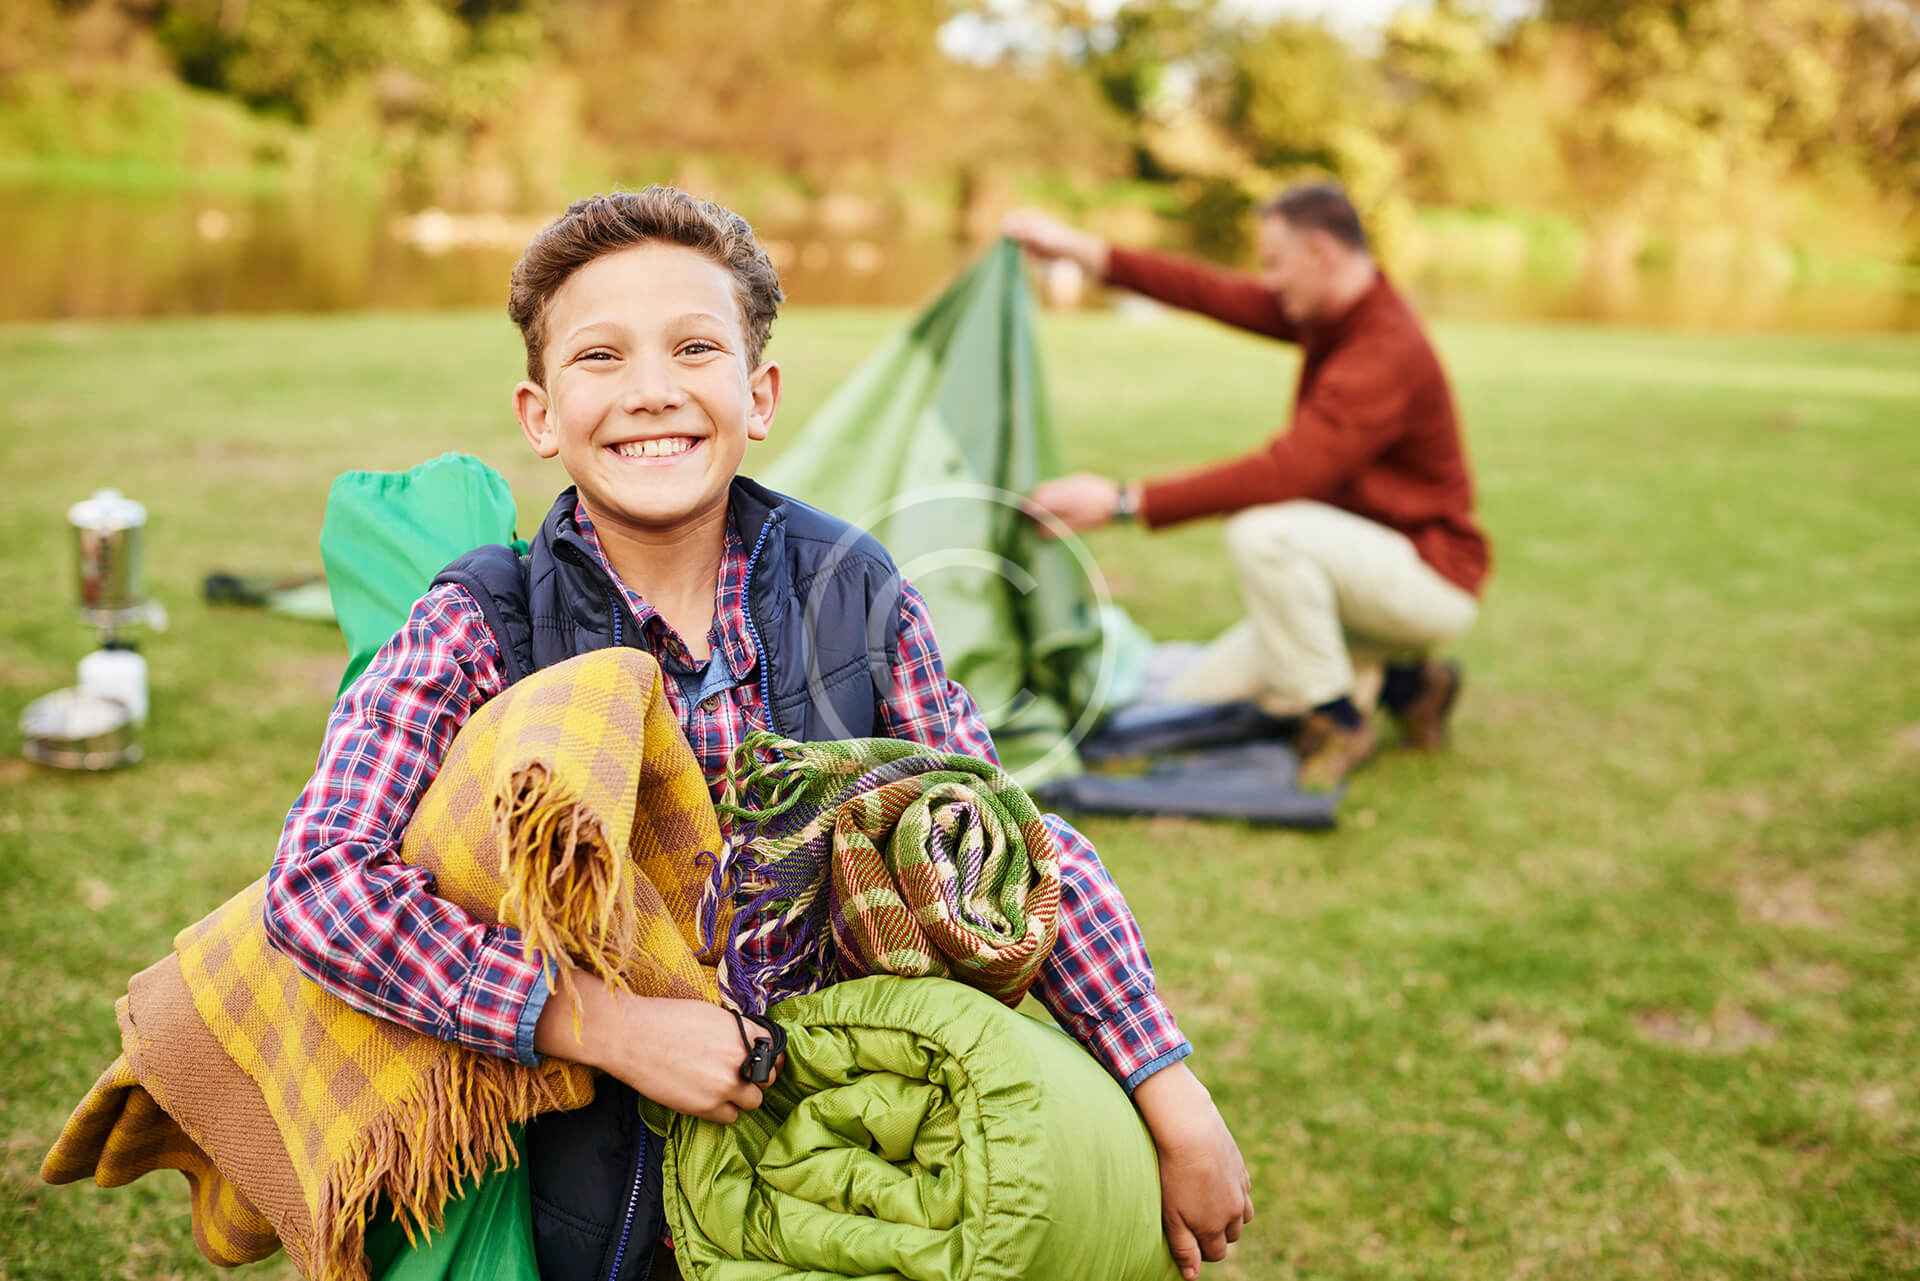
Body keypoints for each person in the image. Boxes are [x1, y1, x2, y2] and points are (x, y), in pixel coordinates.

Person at [263, 187, 1251, 1281]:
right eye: (600, 356)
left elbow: (1002, 842)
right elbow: (318, 882)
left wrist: (1169, 1088)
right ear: (540, 416)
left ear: (760, 394)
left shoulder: (856, 593)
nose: (652, 390)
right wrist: (606, 1027)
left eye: (695, 348)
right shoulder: (480, 624)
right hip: (583, 1201)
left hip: (834, 1166)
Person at [1006, 184, 1492, 789]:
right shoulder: (1331, 314)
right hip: (1363, 573)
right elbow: (1203, 290)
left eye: (1275, 262)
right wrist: (1076, 249)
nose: (1270, 281)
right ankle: (1414, 686)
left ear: (1319, 252)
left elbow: (1288, 472)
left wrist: (1124, 502)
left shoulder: (1382, 348)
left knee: (1265, 533)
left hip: (1429, 575)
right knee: (1194, 697)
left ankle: (1340, 721)